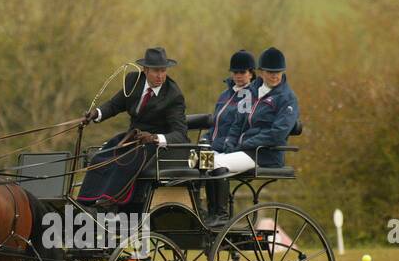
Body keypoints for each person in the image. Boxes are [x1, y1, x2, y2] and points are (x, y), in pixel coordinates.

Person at [76, 46, 188, 210]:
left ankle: (109, 203)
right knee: (100, 157)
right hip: (132, 137)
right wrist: (96, 113)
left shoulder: (173, 96)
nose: (160, 76)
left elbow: (181, 134)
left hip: (156, 146)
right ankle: (85, 202)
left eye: (163, 71)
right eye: (155, 71)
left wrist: (155, 137)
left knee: (126, 161)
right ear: (145, 70)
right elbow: (115, 104)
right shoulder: (133, 81)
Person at [210, 46, 298, 178]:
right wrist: (229, 144)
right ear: (261, 72)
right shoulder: (250, 93)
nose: (275, 76)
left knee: (214, 163)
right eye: (270, 72)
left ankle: (217, 200)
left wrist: (245, 144)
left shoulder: (287, 99)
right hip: (243, 150)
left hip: (264, 154)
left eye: (278, 72)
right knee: (203, 161)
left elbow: (277, 134)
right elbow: (238, 123)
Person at [201, 50, 256, 227]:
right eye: (235, 72)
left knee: (211, 163)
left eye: (243, 72)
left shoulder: (248, 95)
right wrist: (205, 141)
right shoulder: (225, 95)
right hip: (215, 146)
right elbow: (215, 123)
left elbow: (239, 126)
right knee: (195, 163)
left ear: (251, 73)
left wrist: (225, 147)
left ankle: (220, 214)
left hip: (233, 149)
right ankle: (207, 212)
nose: (239, 76)